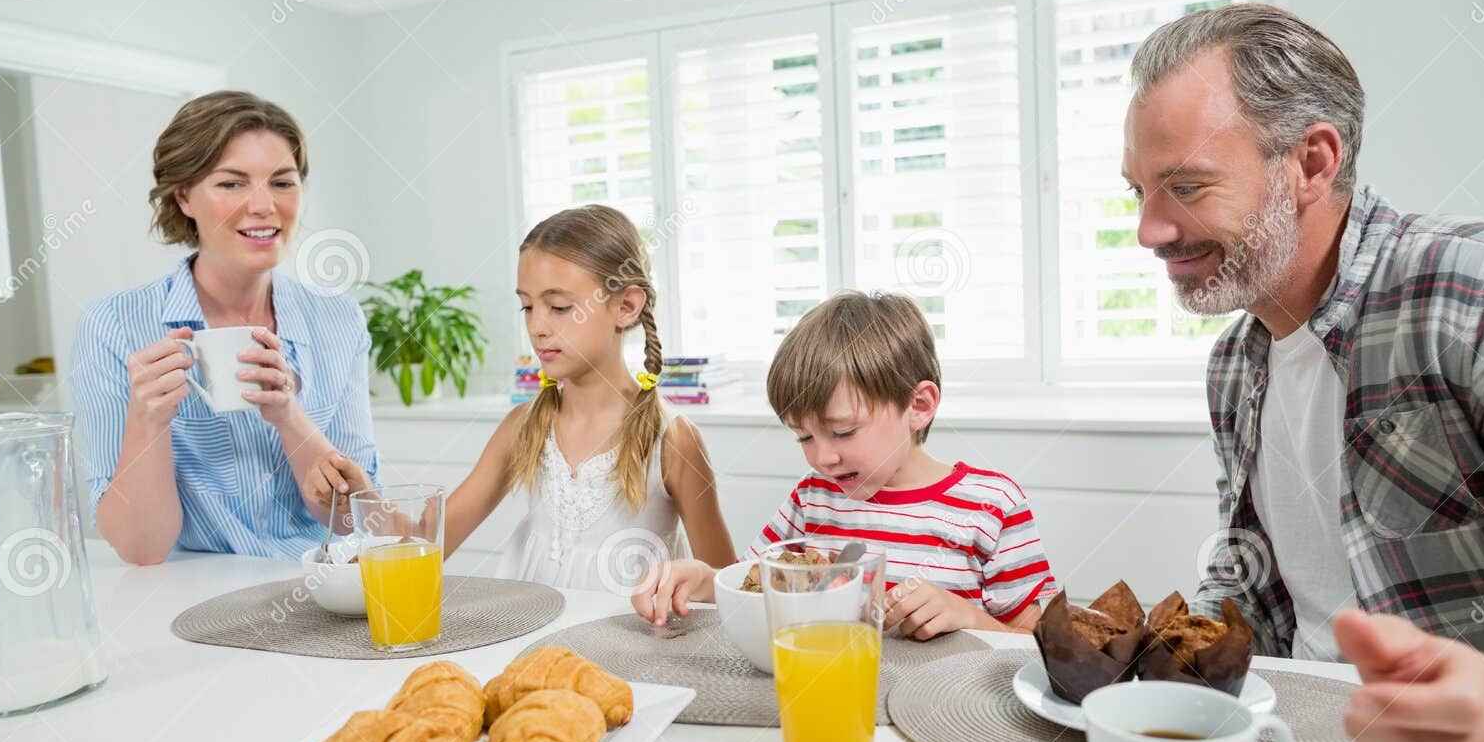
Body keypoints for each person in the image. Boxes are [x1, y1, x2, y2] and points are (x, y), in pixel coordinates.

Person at [1122, 2, 1484, 742]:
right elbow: (1255, 588)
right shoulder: (1238, 364)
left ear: (1312, 162)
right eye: (1140, 191)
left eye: (1185, 186)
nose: (1149, 230)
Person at [309, 204, 735, 592]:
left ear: (625, 307)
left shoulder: (673, 440)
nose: (538, 328)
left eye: (560, 307)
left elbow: (723, 587)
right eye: (528, 307)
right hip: (531, 649)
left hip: (630, 657)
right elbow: (429, 543)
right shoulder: (524, 427)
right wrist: (365, 496)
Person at [632, 291, 1055, 638]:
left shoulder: (992, 505)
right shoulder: (812, 500)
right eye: (804, 437)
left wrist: (967, 617)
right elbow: (753, 586)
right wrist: (704, 580)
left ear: (919, 405)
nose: (822, 458)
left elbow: (1033, 646)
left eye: (844, 431)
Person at [70, 91, 377, 563]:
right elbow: (140, 548)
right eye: (232, 184)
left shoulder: (338, 321)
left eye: (282, 182)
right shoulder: (113, 325)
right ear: (184, 197)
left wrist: (288, 418)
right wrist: (148, 420)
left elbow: (356, 521)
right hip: (185, 595)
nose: (263, 206)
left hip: (314, 588)